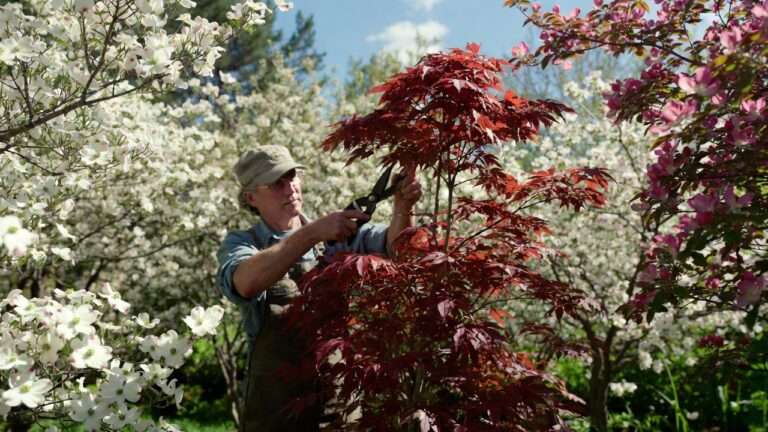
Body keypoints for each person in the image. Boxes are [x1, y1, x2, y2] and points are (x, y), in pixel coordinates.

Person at [216, 145, 422, 431]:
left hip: (338, 404)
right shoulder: (243, 244)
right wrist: (312, 233)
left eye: (292, 177)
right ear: (251, 197)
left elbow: (401, 251)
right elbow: (246, 282)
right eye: (277, 182)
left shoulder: (337, 234)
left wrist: (403, 207)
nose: (290, 188)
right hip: (276, 411)